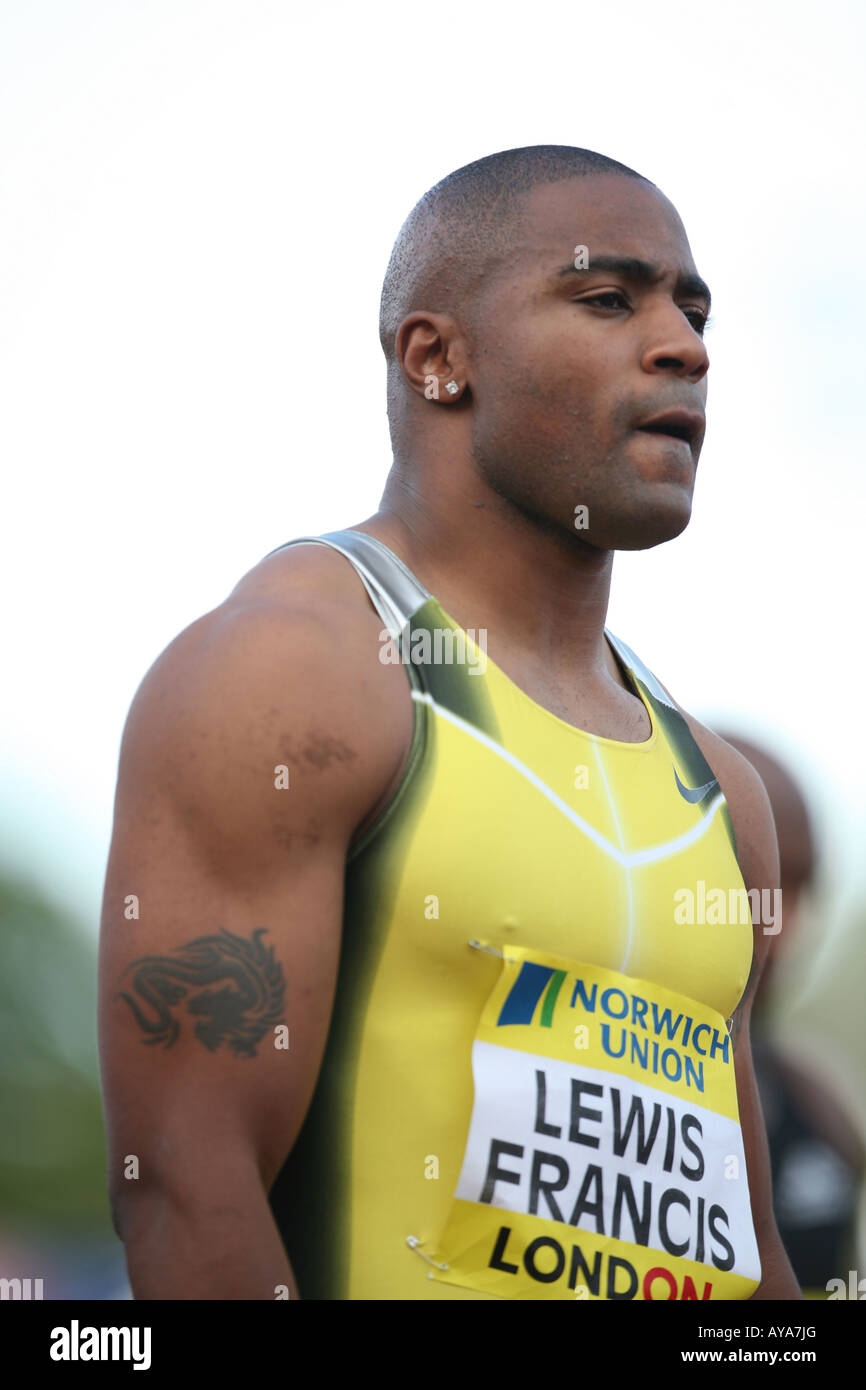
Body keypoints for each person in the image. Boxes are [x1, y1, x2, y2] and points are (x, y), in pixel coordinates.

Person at [98, 144, 801, 1300]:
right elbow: (185, 1185)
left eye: (691, 307)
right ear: (435, 359)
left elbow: (744, 1256)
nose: (684, 344)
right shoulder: (294, 675)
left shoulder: (719, 793)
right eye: (607, 299)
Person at [717, 733, 864, 1298]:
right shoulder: (605, 1080)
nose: (779, 928)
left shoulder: (822, 1108)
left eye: (797, 888)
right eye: (754, 887)